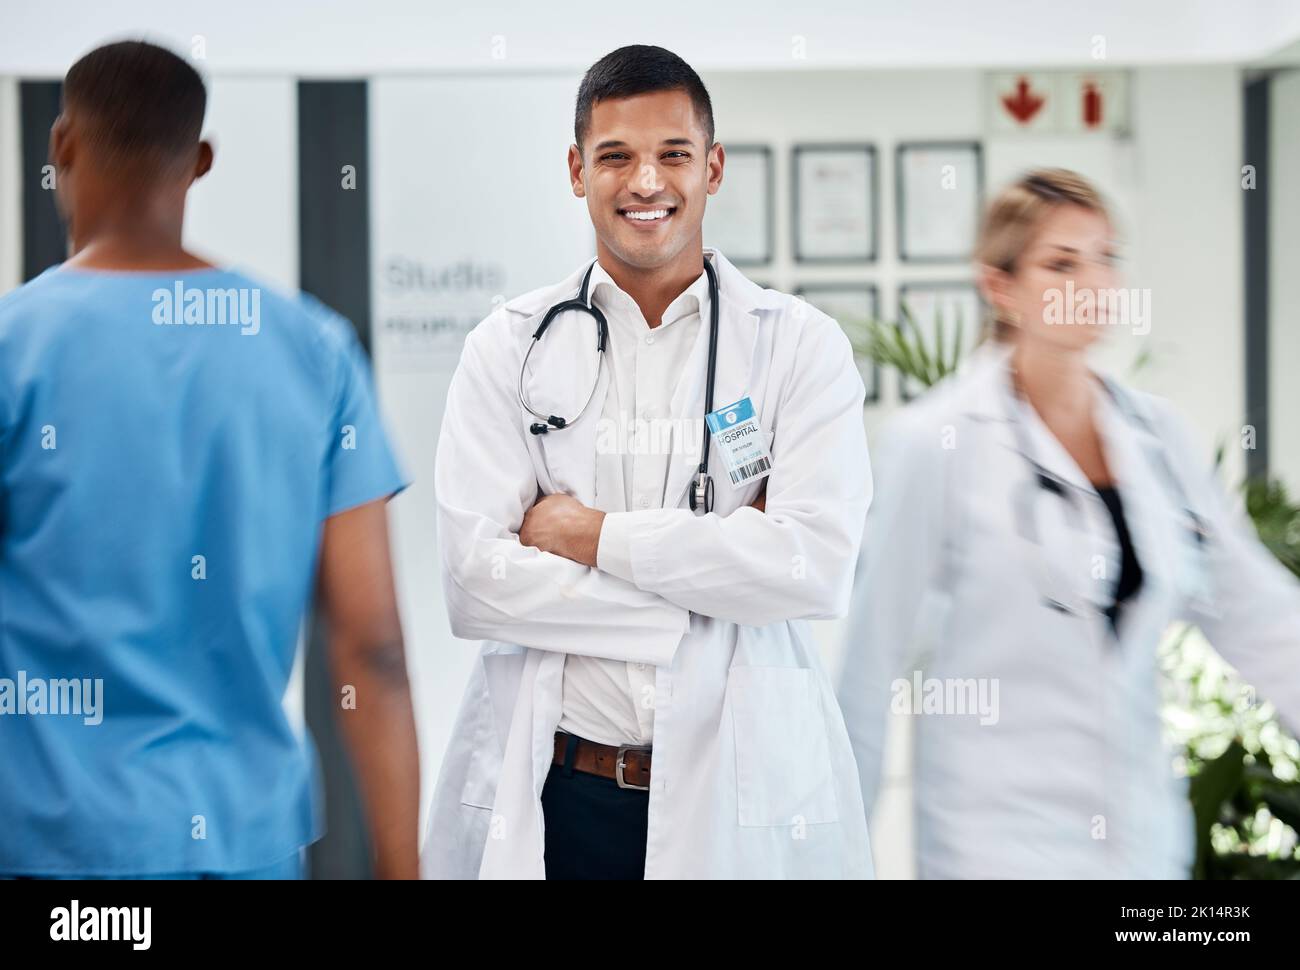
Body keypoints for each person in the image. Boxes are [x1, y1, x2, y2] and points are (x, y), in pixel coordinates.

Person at [424, 45, 873, 879]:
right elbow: (473, 581)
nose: (646, 183)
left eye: (672, 155)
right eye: (616, 157)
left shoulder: (797, 348)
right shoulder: (508, 346)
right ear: (575, 169)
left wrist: (589, 536)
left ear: (713, 166)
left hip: (738, 801)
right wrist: (698, 600)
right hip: (559, 793)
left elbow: (813, 568)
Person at [0, 40, 419, 878]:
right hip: (244, 843)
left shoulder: (14, 347)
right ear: (199, 162)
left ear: (61, 149)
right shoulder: (313, 349)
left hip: (54, 858)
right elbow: (370, 650)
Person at [835, 168, 1300, 879]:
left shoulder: (1159, 441)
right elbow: (869, 672)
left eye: (1104, 257)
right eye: (1061, 262)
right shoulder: (936, 445)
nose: (1093, 281)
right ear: (1000, 286)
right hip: (993, 847)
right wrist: (835, 859)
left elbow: (1262, 621)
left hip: (1140, 847)